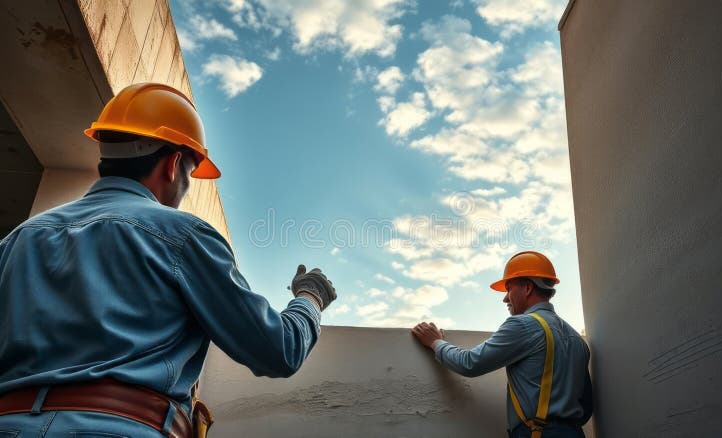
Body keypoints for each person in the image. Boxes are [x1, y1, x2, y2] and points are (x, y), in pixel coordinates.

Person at [0, 83, 337, 437]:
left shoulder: (19, 239)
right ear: (174, 164)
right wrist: (310, 297)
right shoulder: (181, 235)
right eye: (191, 175)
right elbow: (278, 349)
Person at [412, 251, 592, 438]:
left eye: (509, 288)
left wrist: (435, 342)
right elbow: (586, 405)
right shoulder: (577, 340)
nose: (505, 298)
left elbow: (470, 363)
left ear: (528, 288)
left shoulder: (523, 324)